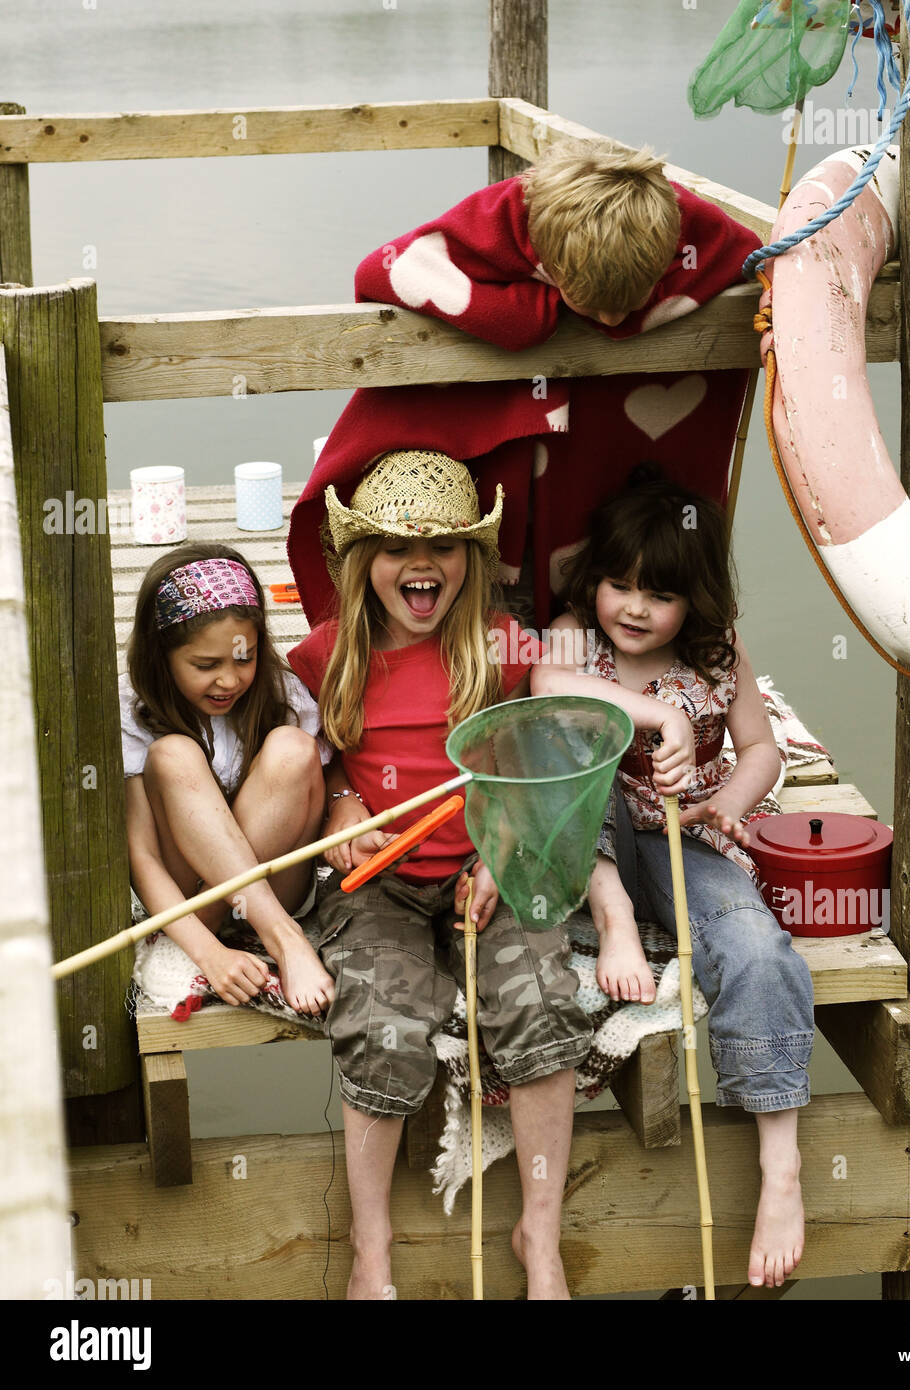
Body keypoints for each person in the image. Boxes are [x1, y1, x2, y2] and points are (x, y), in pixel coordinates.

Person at [288, 449, 593, 1301]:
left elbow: (540, 762)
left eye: (445, 548)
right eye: (394, 548)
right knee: (384, 1024)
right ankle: (371, 1246)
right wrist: (342, 798)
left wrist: (504, 849)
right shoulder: (324, 655)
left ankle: (541, 1228)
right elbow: (305, 765)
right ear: (360, 563)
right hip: (374, 885)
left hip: (482, 869)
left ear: (472, 561)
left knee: (539, 1004)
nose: (421, 566)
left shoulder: (503, 649)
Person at [287, 140, 763, 634]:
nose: (614, 321)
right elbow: (383, 270)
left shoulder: (680, 221)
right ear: (551, 259)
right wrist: (530, 317)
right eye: (592, 303)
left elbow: (756, 257)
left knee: (609, 560)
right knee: (519, 585)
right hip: (526, 454)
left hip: (604, 444)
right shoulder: (507, 216)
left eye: (630, 302)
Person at [530, 468, 814, 1290]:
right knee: (563, 757)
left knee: (758, 949)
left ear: (694, 599)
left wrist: (726, 801)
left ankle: (781, 1166)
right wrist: (654, 715)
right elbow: (545, 688)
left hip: (683, 837)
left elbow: (760, 748)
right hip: (595, 838)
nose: (633, 607)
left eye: (657, 594)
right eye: (619, 584)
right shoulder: (576, 638)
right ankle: (613, 915)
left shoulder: (720, 656)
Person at [121, 542, 337, 1017]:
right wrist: (208, 951)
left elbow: (315, 791)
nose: (229, 681)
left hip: (279, 885)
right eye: (205, 666)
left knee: (293, 749)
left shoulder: (283, 696)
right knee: (172, 754)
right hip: (187, 901)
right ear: (161, 656)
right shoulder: (133, 711)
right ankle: (260, 937)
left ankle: (280, 933)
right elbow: (141, 855)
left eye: (244, 658)